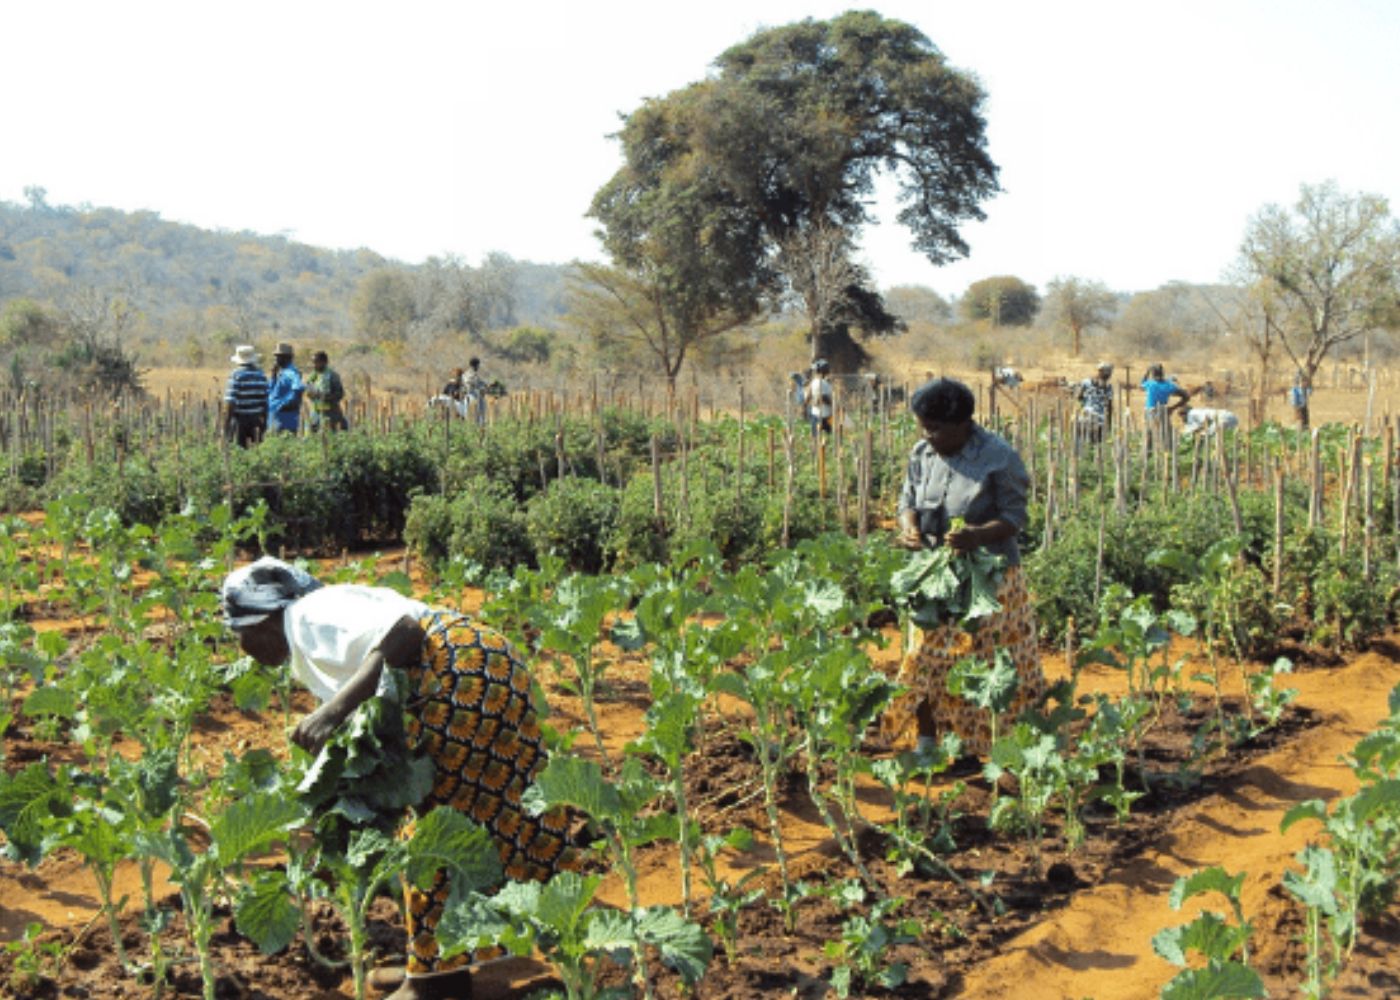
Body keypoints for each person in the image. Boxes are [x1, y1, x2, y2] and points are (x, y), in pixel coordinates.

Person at [221, 558, 578, 1000]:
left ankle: (432, 981)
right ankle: (532, 935)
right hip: (482, 670)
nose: (242, 648)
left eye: (237, 634)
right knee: (499, 811)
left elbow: (405, 632)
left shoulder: (305, 616)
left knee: (432, 834)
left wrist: (333, 710)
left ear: (259, 620)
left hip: (454, 676)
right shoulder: (309, 623)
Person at [887, 378, 1047, 758]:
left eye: (935, 428)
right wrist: (909, 527)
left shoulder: (999, 457)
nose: (927, 436)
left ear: (963, 424)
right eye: (923, 427)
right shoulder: (922, 453)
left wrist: (977, 535)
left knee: (991, 664)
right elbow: (907, 500)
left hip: (989, 579)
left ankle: (994, 747)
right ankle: (927, 742)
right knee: (924, 657)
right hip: (933, 575)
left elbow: (1014, 517)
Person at [222, 344, 269, 448]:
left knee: (239, 452)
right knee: (256, 451)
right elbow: (265, 402)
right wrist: (264, 424)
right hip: (256, 421)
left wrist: (225, 428)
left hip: (240, 422)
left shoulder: (236, 375)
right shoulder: (261, 375)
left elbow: (230, 403)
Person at [1140, 363, 1189, 450]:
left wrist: (1147, 372)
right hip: (1163, 411)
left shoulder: (1150, 384)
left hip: (1150, 411)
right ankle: (1168, 451)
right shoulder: (1169, 385)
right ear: (1163, 373)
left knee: (1149, 434)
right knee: (1166, 434)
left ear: (1153, 374)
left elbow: (1141, 385)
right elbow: (1186, 396)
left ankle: (1148, 453)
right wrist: (1172, 408)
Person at [267, 342, 306, 434]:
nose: (276, 359)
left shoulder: (291, 372)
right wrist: (273, 376)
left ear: (287, 358)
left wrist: (282, 405)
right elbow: (272, 391)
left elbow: (298, 388)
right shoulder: (282, 372)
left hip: (285, 420)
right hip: (275, 418)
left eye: (278, 357)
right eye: (276, 356)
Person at [305, 350, 349, 432]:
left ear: (325, 362)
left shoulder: (332, 376)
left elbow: (339, 394)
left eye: (317, 362)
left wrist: (323, 396)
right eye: (313, 362)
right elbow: (309, 391)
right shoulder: (313, 376)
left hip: (330, 413)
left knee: (330, 435)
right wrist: (310, 394)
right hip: (316, 412)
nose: (314, 365)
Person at [1072, 362, 1115, 445]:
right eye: (1108, 373)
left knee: (1081, 443)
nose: (1109, 375)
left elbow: (1078, 397)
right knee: (1095, 446)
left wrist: (1083, 403)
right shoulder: (1108, 387)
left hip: (1086, 417)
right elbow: (1109, 407)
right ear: (1101, 372)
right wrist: (1109, 424)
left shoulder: (1086, 382)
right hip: (1098, 420)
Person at [804, 358, 834, 435]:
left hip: (815, 415)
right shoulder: (823, 383)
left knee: (816, 438)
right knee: (827, 437)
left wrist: (805, 409)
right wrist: (834, 405)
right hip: (825, 416)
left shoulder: (814, 382)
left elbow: (807, 398)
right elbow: (823, 397)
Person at [463, 357, 488, 426]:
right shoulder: (470, 374)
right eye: (478, 365)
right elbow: (472, 384)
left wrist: (485, 385)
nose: (478, 367)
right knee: (475, 415)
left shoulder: (471, 374)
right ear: (475, 365)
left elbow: (481, 383)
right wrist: (483, 387)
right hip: (472, 396)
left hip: (473, 396)